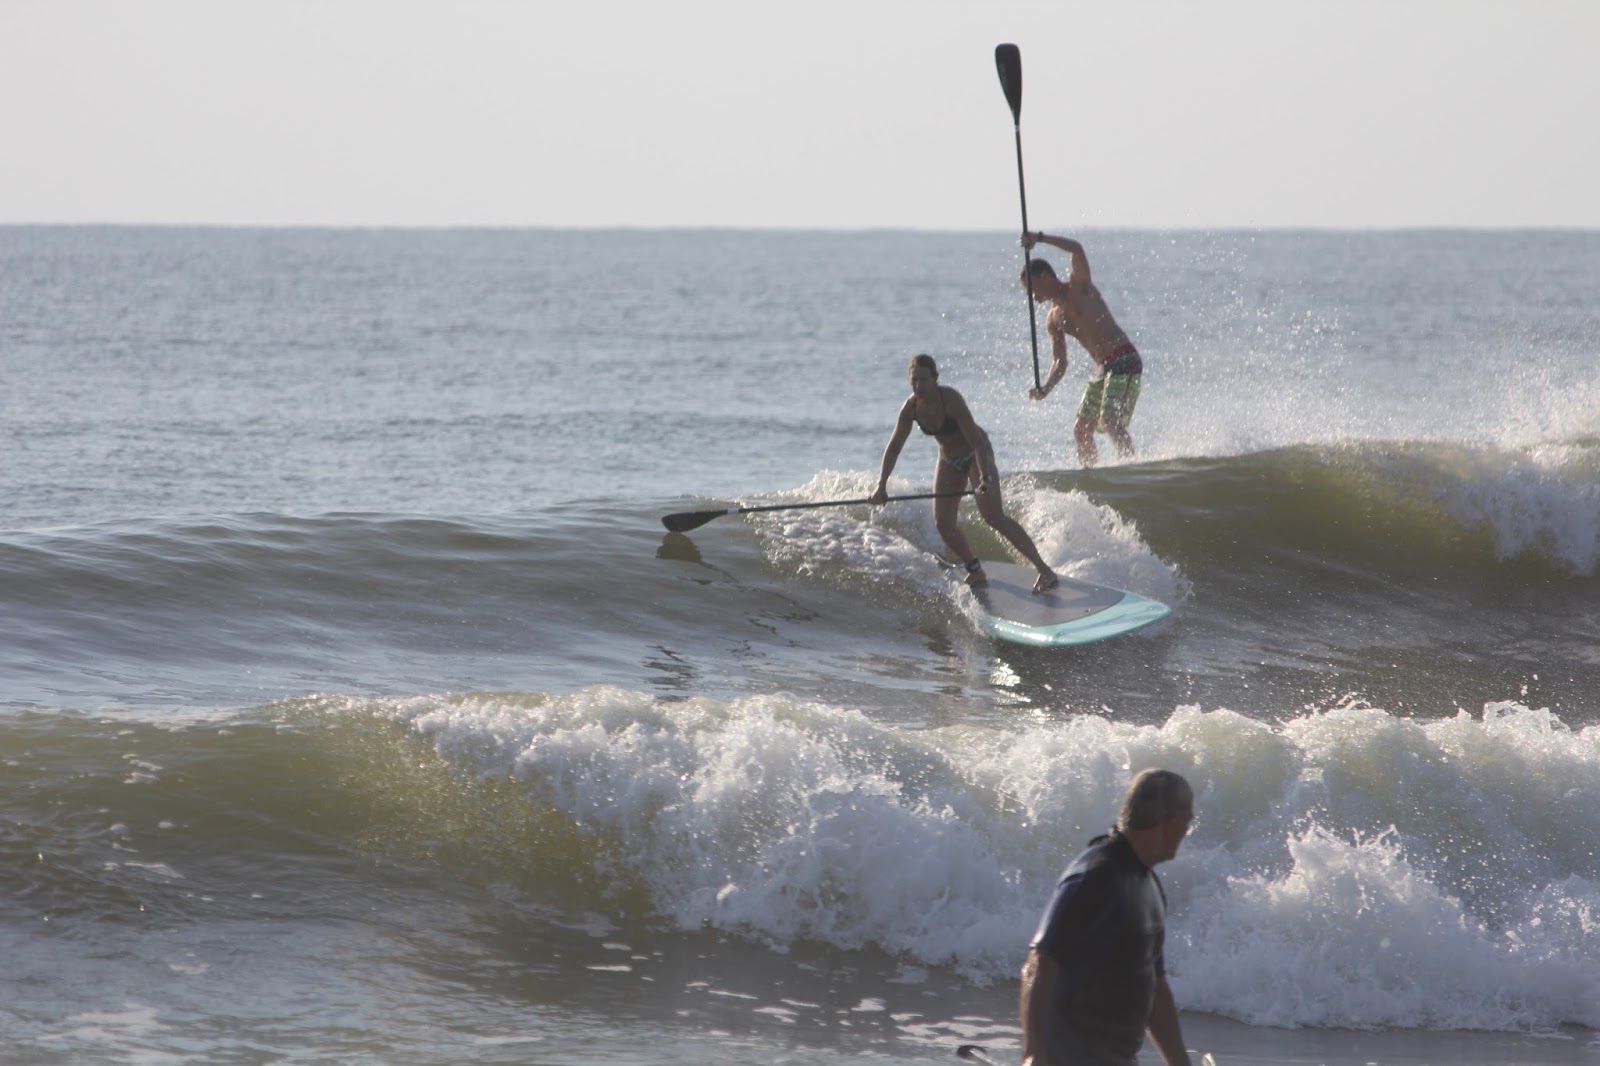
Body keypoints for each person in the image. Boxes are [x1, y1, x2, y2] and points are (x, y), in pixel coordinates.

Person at [1020, 769, 1197, 1066]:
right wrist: (1034, 1054)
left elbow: (1154, 987)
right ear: (1171, 823)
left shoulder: (1149, 887)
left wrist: (1180, 1063)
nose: (1186, 833)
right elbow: (1040, 962)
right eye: (1188, 823)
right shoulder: (1097, 874)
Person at [869, 353, 1059, 593]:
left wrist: (984, 477)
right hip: (948, 459)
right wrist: (881, 485)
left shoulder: (951, 401)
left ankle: (1045, 570)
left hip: (975, 453)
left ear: (935, 379)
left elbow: (977, 443)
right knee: (943, 523)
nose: (919, 386)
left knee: (992, 516)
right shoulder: (911, 408)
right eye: (914, 380)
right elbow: (895, 446)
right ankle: (975, 569)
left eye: (924, 380)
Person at [1020, 231, 1143, 468]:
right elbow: (1060, 361)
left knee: (1109, 420)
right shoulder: (1053, 319)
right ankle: (1092, 478)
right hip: (1102, 367)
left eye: (1031, 288)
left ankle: (1132, 471)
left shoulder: (1079, 287)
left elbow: (1076, 248)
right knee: (1081, 429)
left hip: (1124, 358)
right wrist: (1046, 387)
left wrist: (1040, 239)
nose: (1031, 297)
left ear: (1045, 276)